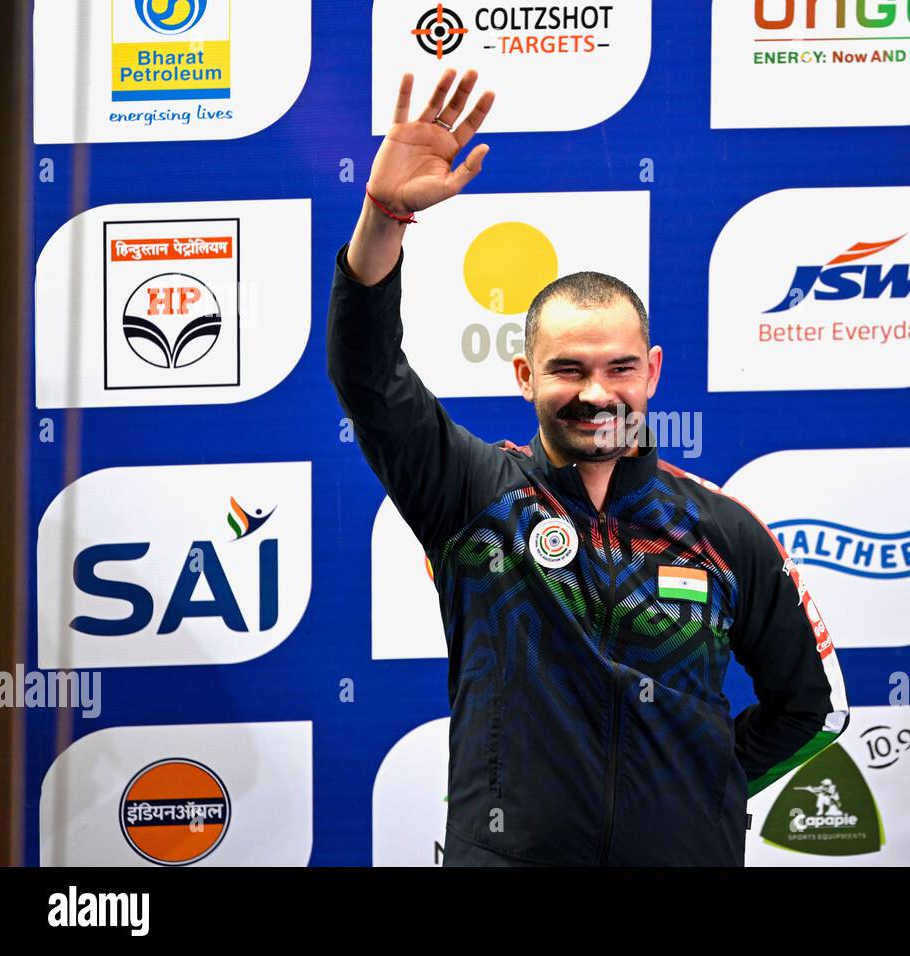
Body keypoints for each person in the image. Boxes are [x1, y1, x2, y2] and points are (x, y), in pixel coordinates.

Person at [327, 69, 849, 866]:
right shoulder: (472, 496)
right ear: (524, 376)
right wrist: (384, 216)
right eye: (568, 369)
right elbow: (368, 376)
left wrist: (700, 794)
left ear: (654, 372)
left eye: (620, 368)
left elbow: (809, 708)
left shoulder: (724, 528)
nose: (597, 393)